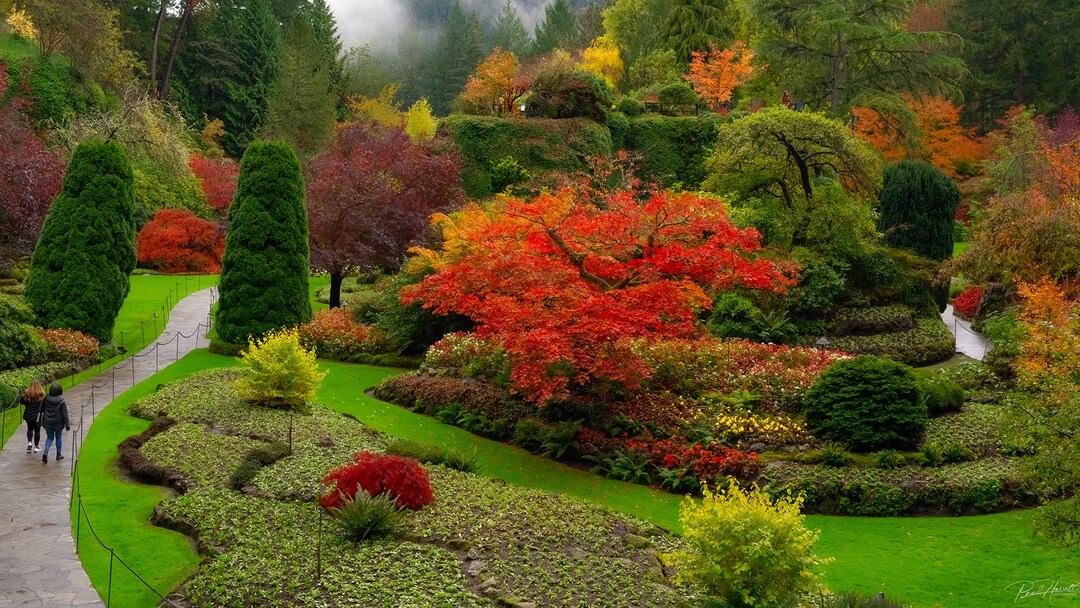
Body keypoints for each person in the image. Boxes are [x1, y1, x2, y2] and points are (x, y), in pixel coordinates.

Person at [40, 382, 70, 464]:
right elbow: (65, 414)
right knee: (58, 437)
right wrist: (67, 425)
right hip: (58, 422)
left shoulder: (45, 399)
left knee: (49, 438)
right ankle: (58, 454)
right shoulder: (62, 401)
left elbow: (41, 410)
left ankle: (45, 452)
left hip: (47, 422)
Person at [21, 379, 45, 453]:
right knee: (37, 430)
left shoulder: (27, 393)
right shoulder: (41, 394)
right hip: (37, 415)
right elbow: (44, 405)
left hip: (28, 414)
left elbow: (22, 402)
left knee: (30, 429)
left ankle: (29, 443)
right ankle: (36, 446)